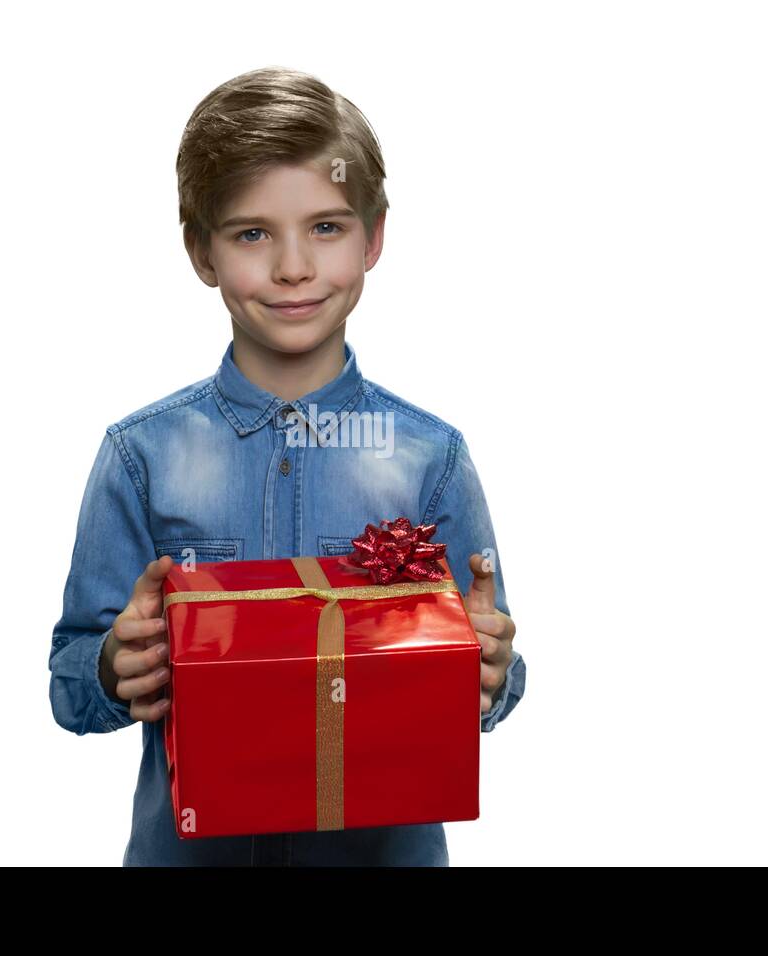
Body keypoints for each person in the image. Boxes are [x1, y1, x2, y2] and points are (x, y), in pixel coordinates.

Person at [49, 66, 525, 866]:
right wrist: (112, 663)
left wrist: (489, 670)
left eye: (328, 228)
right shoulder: (141, 457)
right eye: (252, 233)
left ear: (374, 237)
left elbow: (491, 689)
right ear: (200, 250)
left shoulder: (429, 458)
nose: (293, 268)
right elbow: (69, 688)